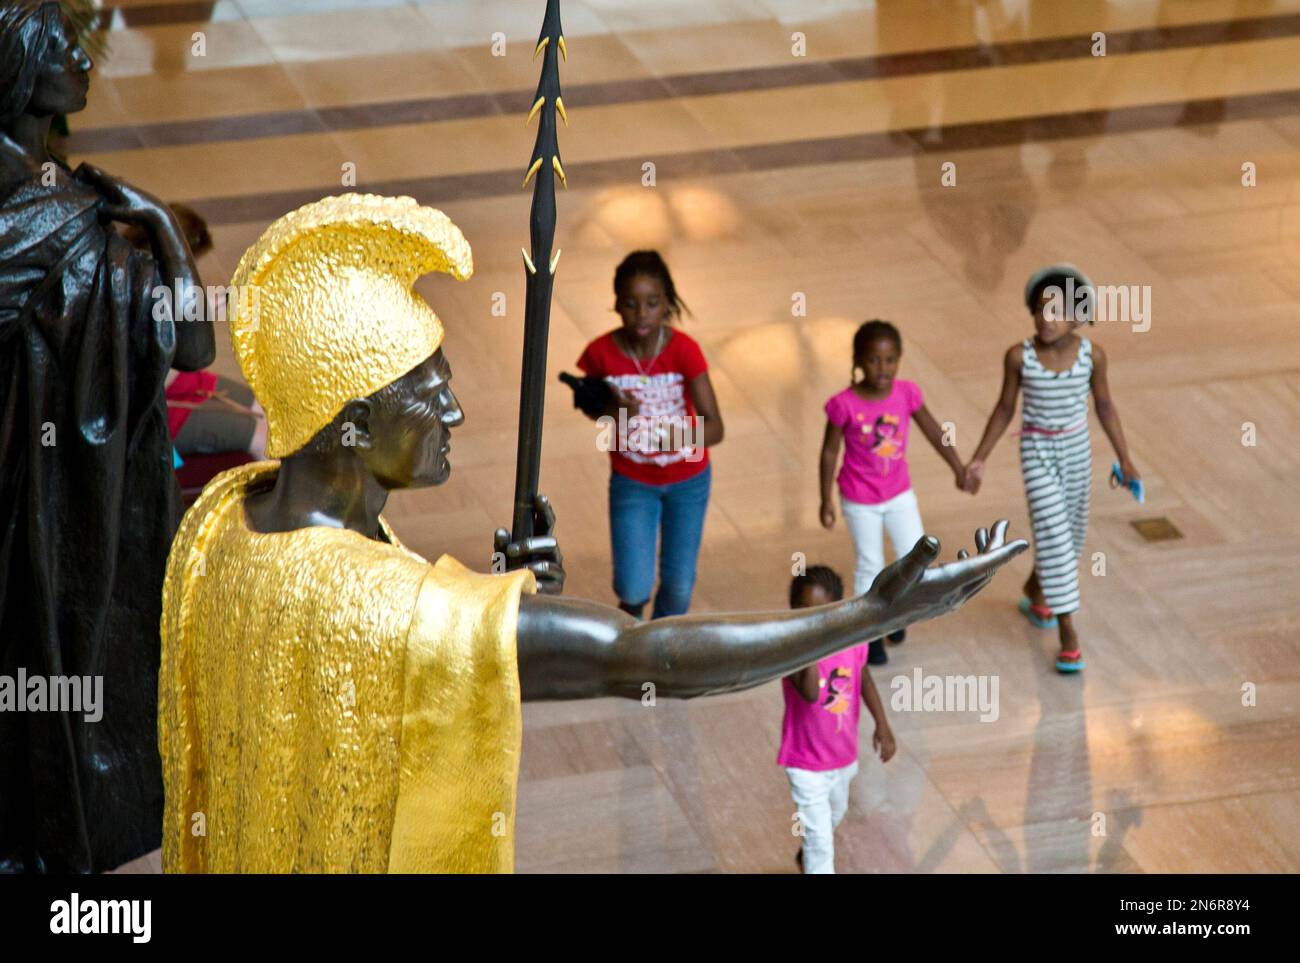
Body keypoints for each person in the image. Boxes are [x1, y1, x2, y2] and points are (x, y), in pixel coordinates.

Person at [160, 193, 1026, 873]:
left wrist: (501, 594)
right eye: (429, 391)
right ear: (352, 419)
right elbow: (642, 656)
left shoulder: (226, 516)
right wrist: (867, 615)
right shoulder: (392, 611)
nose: (456, 409)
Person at [0, 0, 213, 873]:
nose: (84, 54)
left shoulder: (77, 223)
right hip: (47, 539)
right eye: (61, 43)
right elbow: (192, 345)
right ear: (17, 71)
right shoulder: (85, 234)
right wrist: (159, 226)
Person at [964, 264, 1140, 672]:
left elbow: (1106, 406)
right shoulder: (1018, 357)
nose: (1047, 319)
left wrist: (1125, 459)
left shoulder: (1092, 356)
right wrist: (979, 457)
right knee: (1054, 534)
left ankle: (1035, 591)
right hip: (1037, 452)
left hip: (1077, 451)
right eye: (1041, 310)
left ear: (1079, 316)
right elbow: (1005, 407)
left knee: (1070, 535)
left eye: (1058, 311)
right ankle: (1068, 631)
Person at [571, 250, 723, 619]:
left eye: (652, 304)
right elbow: (593, 410)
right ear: (617, 306)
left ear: (667, 305)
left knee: (679, 585)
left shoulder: (684, 351)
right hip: (632, 480)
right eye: (630, 304)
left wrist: (680, 438)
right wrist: (619, 411)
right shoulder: (600, 354)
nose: (641, 314)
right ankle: (632, 633)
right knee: (632, 585)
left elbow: (716, 427)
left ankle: (660, 651)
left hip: (689, 480)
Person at [819, 319, 969, 664]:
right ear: (858, 361)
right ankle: (868, 632)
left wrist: (958, 467)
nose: (882, 368)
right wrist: (825, 498)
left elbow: (934, 431)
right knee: (869, 563)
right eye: (873, 359)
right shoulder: (843, 404)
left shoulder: (906, 394)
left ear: (899, 360)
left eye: (890, 360)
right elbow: (829, 452)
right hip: (859, 497)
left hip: (898, 493)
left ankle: (896, 613)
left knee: (913, 556)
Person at [780, 565, 895, 874]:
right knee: (821, 843)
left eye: (822, 612)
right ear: (792, 611)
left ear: (838, 610)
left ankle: (808, 855)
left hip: (842, 760)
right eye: (804, 611)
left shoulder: (852, 641)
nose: (813, 619)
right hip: (805, 764)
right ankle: (815, 860)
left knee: (835, 814)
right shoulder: (791, 652)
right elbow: (809, 693)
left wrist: (882, 724)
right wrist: (811, 650)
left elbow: (864, 679)